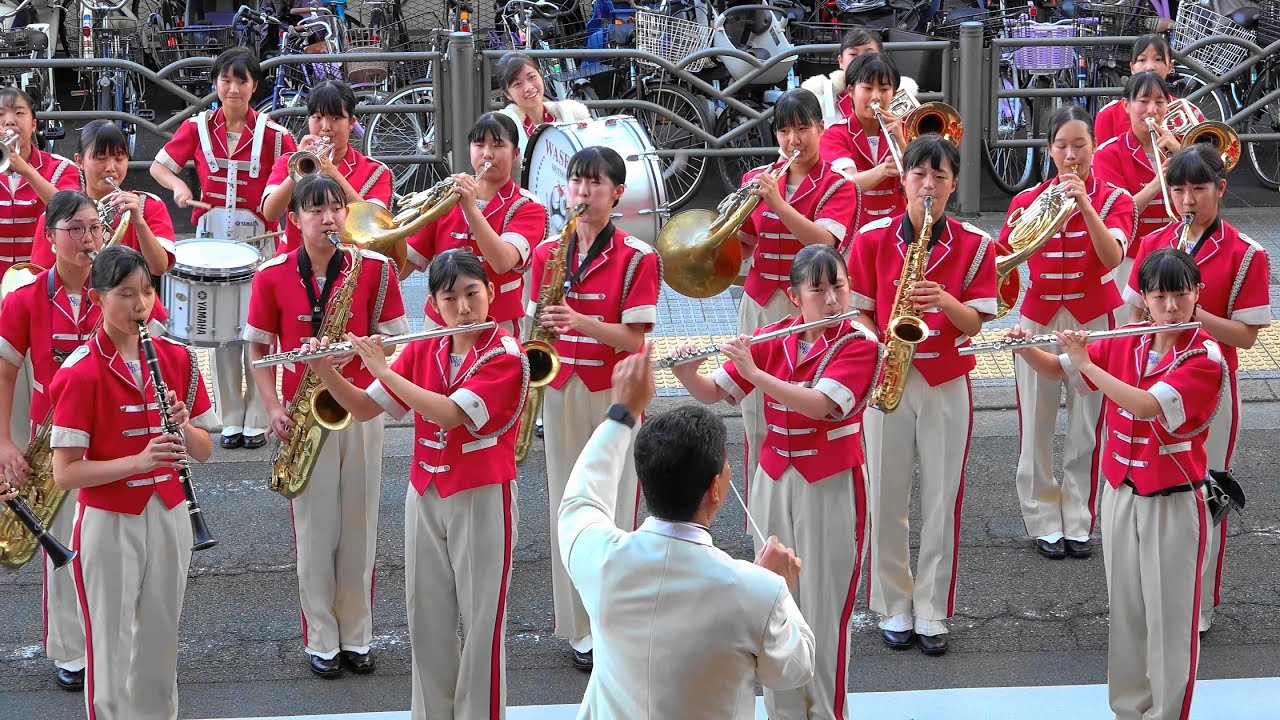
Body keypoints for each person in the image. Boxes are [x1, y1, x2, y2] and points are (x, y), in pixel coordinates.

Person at [305, 249, 527, 718]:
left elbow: (448, 413)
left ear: (489, 293)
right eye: (450, 299)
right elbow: (364, 408)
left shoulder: (507, 355)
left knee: (482, 625)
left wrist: (383, 368)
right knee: (426, 620)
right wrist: (327, 371)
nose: (464, 308)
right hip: (424, 491)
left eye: (472, 294)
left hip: (481, 494)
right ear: (435, 305)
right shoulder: (428, 346)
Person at [1011, 248, 1225, 720]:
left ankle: (1167, 714)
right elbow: (1054, 370)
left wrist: (1085, 362)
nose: (1171, 306)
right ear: (1144, 299)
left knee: (1170, 622)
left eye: (1180, 294)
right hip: (1121, 491)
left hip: (1172, 501)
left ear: (1197, 295)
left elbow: (1147, 405)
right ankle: (1129, 711)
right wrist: (1023, 346)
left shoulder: (1205, 357)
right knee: (1126, 614)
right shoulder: (1128, 339)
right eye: (1160, 295)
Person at [673, 243, 877, 719]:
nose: (831, 300)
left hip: (829, 484)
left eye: (839, 288)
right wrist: (687, 372)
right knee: (773, 608)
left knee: (824, 615)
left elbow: (819, 405)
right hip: (775, 480)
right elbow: (714, 392)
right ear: (793, 296)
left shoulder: (861, 343)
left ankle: (826, 713)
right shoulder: (773, 335)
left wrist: (753, 372)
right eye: (818, 290)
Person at [562, 345, 816, 719]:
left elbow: (581, 499)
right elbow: (793, 669)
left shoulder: (599, 559)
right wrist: (781, 592)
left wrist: (623, 413)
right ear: (714, 488)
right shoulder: (757, 589)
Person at [244, 174, 409, 678]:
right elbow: (255, 349)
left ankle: (357, 635)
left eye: (336, 208)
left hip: (359, 406)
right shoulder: (271, 274)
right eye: (315, 210)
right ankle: (322, 638)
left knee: (361, 526)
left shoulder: (375, 267)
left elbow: (398, 341)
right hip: (302, 412)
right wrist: (272, 408)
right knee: (316, 534)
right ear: (294, 221)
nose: (329, 218)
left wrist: (361, 353)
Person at [0, 192, 165, 693]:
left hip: (115, 431)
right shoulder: (24, 298)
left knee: (115, 542)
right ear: (49, 236)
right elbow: (5, 374)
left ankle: (122, 642)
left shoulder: (117, 291)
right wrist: (5, 443)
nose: (89, 238)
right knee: (62, 544)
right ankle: (71, 649)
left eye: (95, 227)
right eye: (75, 229)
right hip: (52, 438)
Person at [49, 244, 218, 720]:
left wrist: (183, 427)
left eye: (146, 292)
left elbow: (204, 451)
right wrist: (137, 461)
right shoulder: (80, 371)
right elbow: (66, 473)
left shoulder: (176, 358)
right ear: (98, 297)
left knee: (161, 642)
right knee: (111, 643)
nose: (140, 305)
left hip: (170, 512)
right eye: (125, 294)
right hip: (108, 519)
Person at [848, 135, 997, 657]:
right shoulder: (870, 238)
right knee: (886, 494)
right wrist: (880, 344)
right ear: (903, 179)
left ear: (953, 184)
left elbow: (976, 322)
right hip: (890, 376)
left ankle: (932, 608)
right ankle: (893, 602)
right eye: (918, 174)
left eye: (939, 176)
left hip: (945, 380)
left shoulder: (977, 244)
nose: (928, 185)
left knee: (941, 498)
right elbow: (858, 312)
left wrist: (946, 300)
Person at [1123, 145, 1272, 634]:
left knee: (1204, 491)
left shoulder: (1246, 253)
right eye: (1179, 189)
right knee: (1149, 488)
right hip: (1151, 376)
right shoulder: (1154, 243)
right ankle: (1151, 595)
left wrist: (1189, 310)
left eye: (1199, 188)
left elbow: (1247, 337)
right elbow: (1130, 312)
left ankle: (1198, 604)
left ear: (1220, 189)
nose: (1187, 200)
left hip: (1212, 387)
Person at [528, 145, 660, 672]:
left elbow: (635, 338)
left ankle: (614, 621)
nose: (582, 193)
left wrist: (580, 323)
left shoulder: (637, 255)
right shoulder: (547, 253)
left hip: (615, 389)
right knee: (568, 502)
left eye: (595, 184)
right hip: (560, 386)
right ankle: (578, 626)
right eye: (576, 183)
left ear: (617, 194)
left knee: (616, 503)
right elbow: (537, 322)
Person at [999, 105, 1134, 560]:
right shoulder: (1025, 202)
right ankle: (1042, 518)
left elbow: (1113, 257)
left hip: (1094, 317)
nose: (1071, 154)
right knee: (1035, 423)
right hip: (1037, 315)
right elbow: (1006, 262)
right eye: (1062, 145)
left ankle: (1079, 518)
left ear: (1095, 147)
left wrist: (1085, 204)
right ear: (1049, 149)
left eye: (1080, 144)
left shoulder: (1116, 200)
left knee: (1087, 424)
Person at [152, 46, 298, 452]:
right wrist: (180, 186)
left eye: (241, 80)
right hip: (212, 240)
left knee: (258, 327)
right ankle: (231, 414)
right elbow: (159, 166)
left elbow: (285, 188)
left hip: (260, 241)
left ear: (254, 87)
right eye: (225, 79)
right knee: (220, 328)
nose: (232, 88)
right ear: (216, 83)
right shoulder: (197, 126)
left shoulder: (275, 135)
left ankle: (257, 411)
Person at [734, 88, 859, 491]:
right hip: (759, 303)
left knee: (803, 406)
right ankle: (763, 499)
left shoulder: (840, 187)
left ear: (822, 129)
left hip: (811, 311)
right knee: (755, 411)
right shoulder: (756, 180)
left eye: (803, 128)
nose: (794, 140)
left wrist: (779, 204)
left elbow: (825, 242)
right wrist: (722, 237)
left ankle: (805, 495)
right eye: (784, 130)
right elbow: (746, 245)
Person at [403, 111, 547, 336]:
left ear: (516, 153)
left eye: (498, 146)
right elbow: (405, 266)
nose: (487, 154)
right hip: (440, 323)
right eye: (479, 145)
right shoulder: (446, 199)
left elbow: (502, 262)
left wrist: (470, 208)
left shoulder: (527, 207)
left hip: (497, 325)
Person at [262, 79, 392, 256]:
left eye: (336, 118)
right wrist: (297, 171)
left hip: (352, 264)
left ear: (351, 122)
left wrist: (334, 174)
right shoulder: (289, 162)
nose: (325, 127)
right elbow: (270, 213)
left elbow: (374, 224)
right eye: (317, 117)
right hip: (294, 262)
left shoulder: (376, 171)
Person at [1093, 71, 1182, 320]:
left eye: (1159, 102)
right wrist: (1157, 183)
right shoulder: (1108, 153)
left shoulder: (1181, 148)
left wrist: (1183, 158)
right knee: (1126, 334)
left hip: (1177, 254)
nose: (1151, 109)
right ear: (1126, 105)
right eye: (1143, 101)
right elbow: (1115, 211)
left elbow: (1204, 205)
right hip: (1129, 259)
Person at [32, 121, 175, 274]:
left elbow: (159, 268)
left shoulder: (149, 206)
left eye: (119, 158)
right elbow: (40, 275)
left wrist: (139, 223)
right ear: (79, 161)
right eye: (100, 158)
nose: (111, 168)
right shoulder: (58, 213)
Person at [0, 87, 80, 276]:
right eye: (0, 114)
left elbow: (71, 211)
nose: (9, 120)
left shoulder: (62, 168)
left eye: (19, 113)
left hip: (43, 281)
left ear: (34, 124)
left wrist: (26, 170)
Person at [820, 53, 907, 225]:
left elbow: (917, 184)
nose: (876, 96)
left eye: (884, 89)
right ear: (851, 91)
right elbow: (848, 182)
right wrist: (883, 170)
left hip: (897, 227)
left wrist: (903, 144)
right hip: (853, 227)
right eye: (867, 88)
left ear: (894, 93)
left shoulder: (903, 129)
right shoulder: (835, 134)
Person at [800, 28, 919, 128]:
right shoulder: (822, 95)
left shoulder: (903, 98)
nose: (861, 61)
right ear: (840, 61)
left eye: (869, 54)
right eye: (853, 54)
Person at [1094, 35, 1201, 145]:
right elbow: (1102, 158)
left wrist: (1179, 152)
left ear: (1170, 66)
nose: (1150, 67)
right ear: (1132, 68)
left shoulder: (1189, 113)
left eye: (1158, 59)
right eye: (1142, 60)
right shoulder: (1108, 115)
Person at [498, 51, 591, 157]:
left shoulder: (572, 114)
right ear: (507, 94)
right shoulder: (503, 131)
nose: (528, 88)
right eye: (518, 84)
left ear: (540, 74)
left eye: (532, 77)